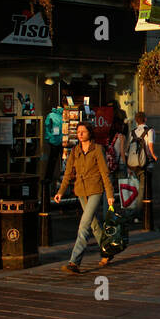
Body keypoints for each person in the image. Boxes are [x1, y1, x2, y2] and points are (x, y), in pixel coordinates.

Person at [54, 121, 116, 274]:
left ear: (90, 133)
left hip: (95, 189)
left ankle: (74, 262)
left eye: (83, 131)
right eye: (78, 131)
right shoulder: (75, 151)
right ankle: (108, 250)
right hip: (81, 190)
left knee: (84, 225)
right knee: (94, 224)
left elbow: (104, 172)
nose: (80, 134)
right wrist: (60, 192)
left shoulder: (98, 149)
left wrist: (109, 194)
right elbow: (68, 173)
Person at [42, 103, 64, 185]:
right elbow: (47, 127)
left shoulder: (63, 115)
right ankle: (49, 177)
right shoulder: (52, 115)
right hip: (56, 141)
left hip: (60, 141)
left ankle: (51, 177)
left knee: (60, 160)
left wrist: (48, 137)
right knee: (53, 160)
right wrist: (49, 137)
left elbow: (47, 127)